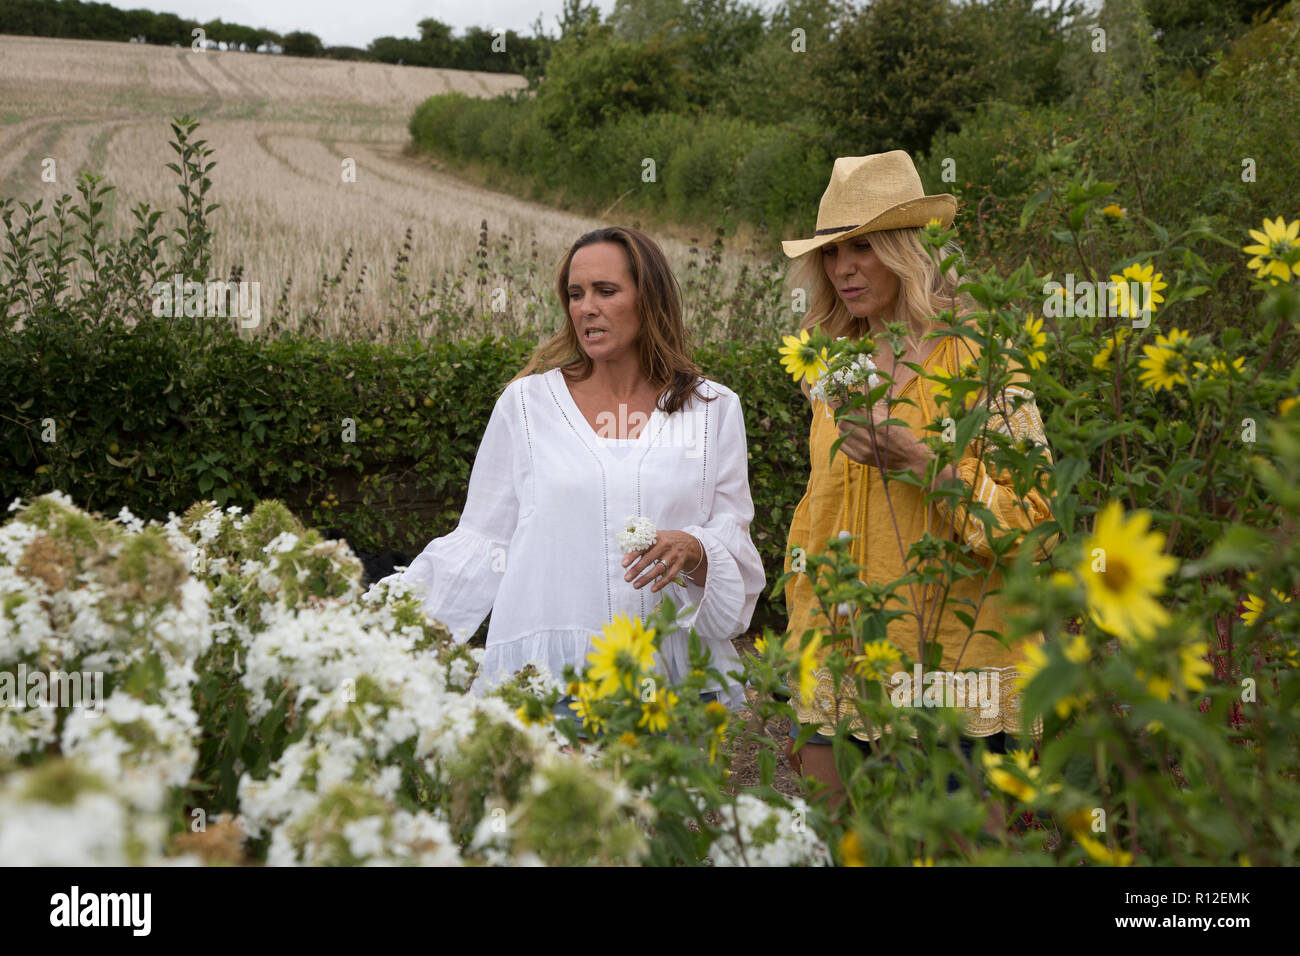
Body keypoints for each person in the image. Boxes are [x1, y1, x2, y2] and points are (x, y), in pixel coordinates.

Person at [385, 226, 766, 724]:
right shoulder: (526, 405)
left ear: (649, 299)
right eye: (575, 293)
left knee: (664, 805)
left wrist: (695, 548)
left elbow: (731, 543)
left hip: (674, 681)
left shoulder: (712, 408)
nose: (586, 307)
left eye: (606, 291)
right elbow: (483, 542)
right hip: (550, 680)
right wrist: (386, 631)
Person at [779, 152, 1058, 803]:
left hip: (959, 665)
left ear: (907, 248)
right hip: (840, 657)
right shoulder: (829, 361)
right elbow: (819, 506)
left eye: (862, 247)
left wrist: (922, 463)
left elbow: (1036, 522)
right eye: (830, 252)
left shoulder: (979, 357)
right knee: (833, 840)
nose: (842, 268)